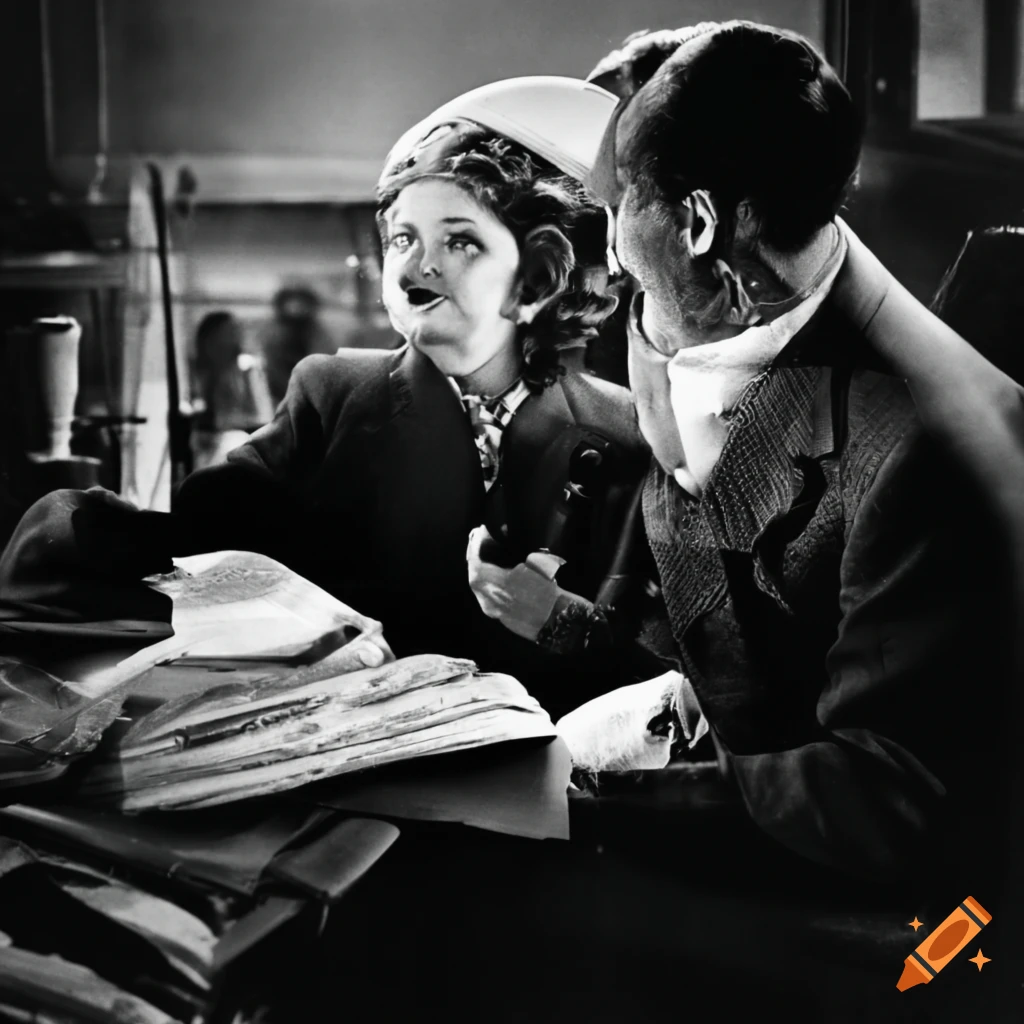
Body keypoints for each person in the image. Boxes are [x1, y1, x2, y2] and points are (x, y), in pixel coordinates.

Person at [532, 21, 1019, 900]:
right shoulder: (739, 308)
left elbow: (887, 793)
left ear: (699, 220)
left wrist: (588, 800)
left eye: (617, 209)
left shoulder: (911, 444)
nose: (606, 250)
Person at [0, 78, 651, 720]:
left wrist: (559, 623)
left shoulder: (623, 434)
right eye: (402, 238)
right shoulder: (334, 394)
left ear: (538, 278)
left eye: (460, 241)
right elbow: (198, 540)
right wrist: (78, 535)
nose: (415, 267)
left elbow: (654, 665)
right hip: (348, 754)